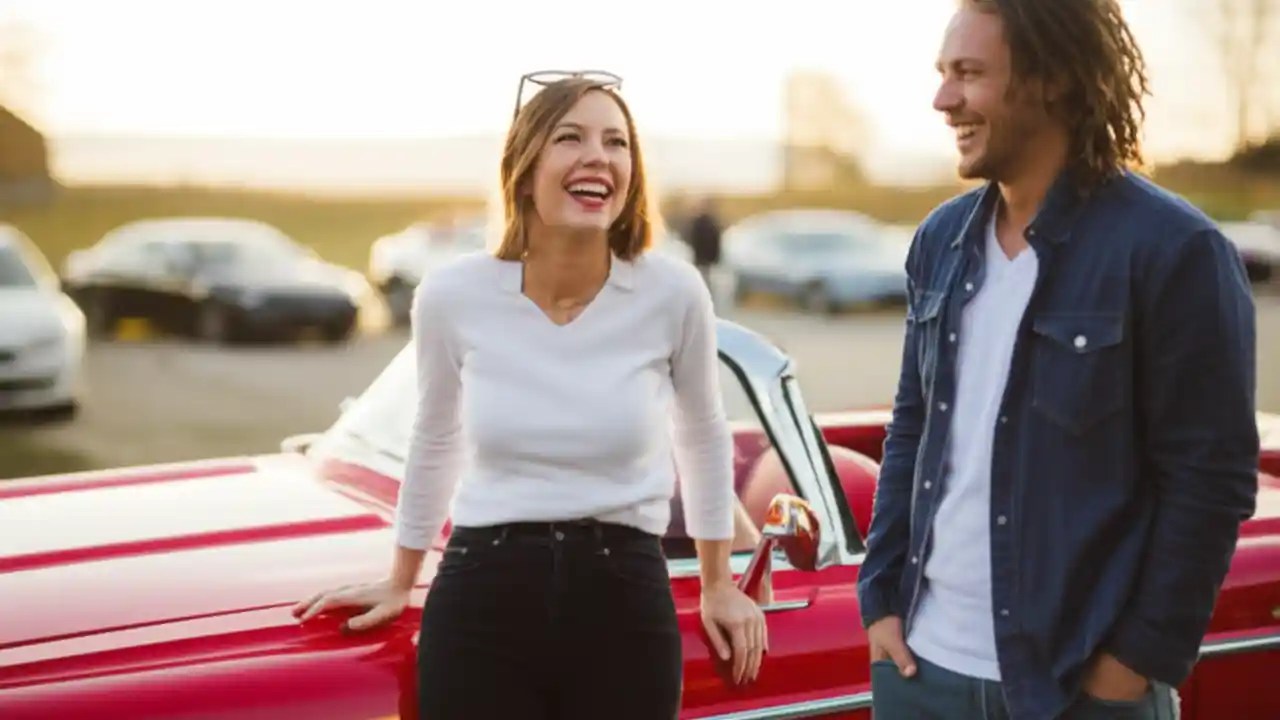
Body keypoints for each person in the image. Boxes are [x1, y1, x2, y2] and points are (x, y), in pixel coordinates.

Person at [291, 72, 767, 719]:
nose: (598, 156)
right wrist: (401, 579)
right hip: (483, 590)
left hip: (624, 593)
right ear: (524, 164)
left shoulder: (673, 293)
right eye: (570, 137)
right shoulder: (454, 295)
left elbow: (703, 436)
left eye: (616, 142)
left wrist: (718, 583)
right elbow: (435, 439)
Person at [856, 2, 1259, 719]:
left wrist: (1134, 664)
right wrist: (880, 597)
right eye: (944, 74)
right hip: (923, 671)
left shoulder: (1174, 251)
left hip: (1077, 688)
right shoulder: (940, 241)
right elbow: (913, 429)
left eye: (969, 74)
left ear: (1054, 79)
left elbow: (1211, 480)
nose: (942, 99)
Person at [686, 197, 723, 290]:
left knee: (702, 279)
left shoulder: (698, 223)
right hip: (706, 259)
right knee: (705, 280)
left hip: (702, 258)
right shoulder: (711, 223)